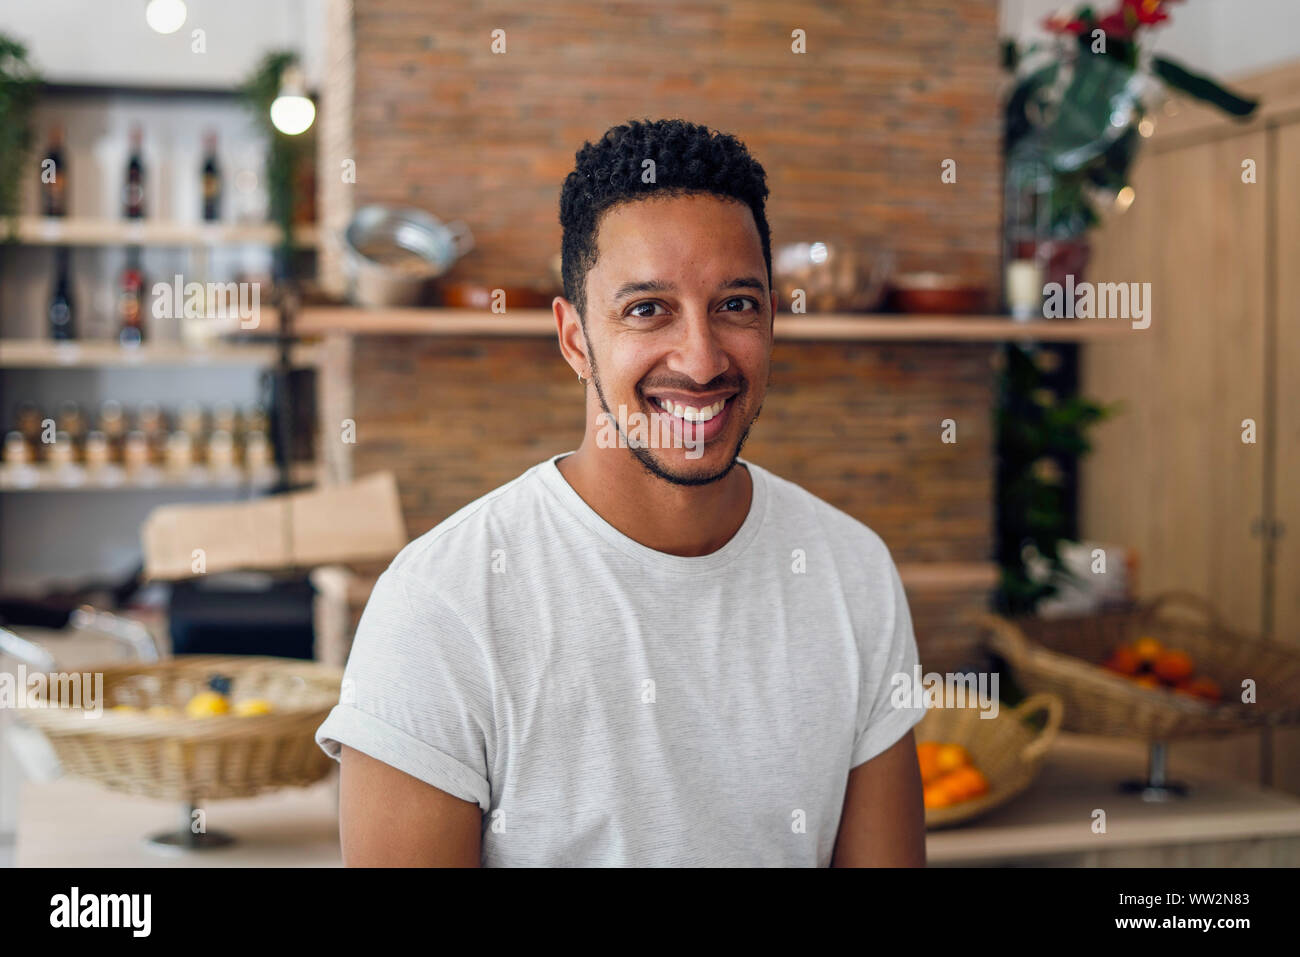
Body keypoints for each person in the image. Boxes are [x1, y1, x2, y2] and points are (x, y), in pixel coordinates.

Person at [316, 118, 927, 866]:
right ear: (575, 340)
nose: (701, 360)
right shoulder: (441, 605)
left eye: (736, 304)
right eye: (647, 309)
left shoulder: (852, 572)